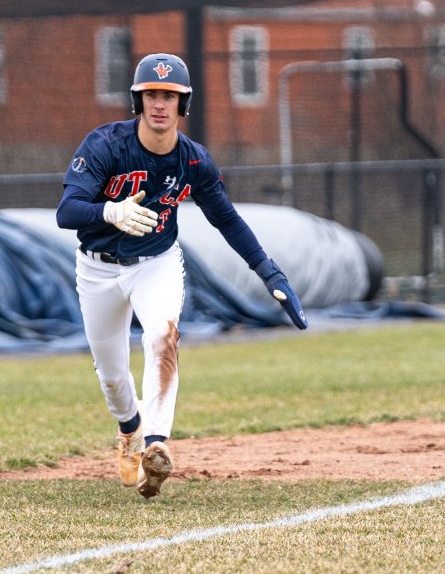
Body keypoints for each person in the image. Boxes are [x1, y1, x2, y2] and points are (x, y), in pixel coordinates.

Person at [56, 53, 307, 499]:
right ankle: (130, 430)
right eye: (152, 93)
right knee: (113, 376)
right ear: (139, 99)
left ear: (183, 104)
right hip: (97, 268)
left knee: (162, 335)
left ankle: (155, 445)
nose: (160, 104)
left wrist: (268, 270)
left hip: (155, 261)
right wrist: (108, 210)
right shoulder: (105, 145)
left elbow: (226, 219)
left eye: (170, 96)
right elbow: (66, 212)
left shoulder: (193, 161)